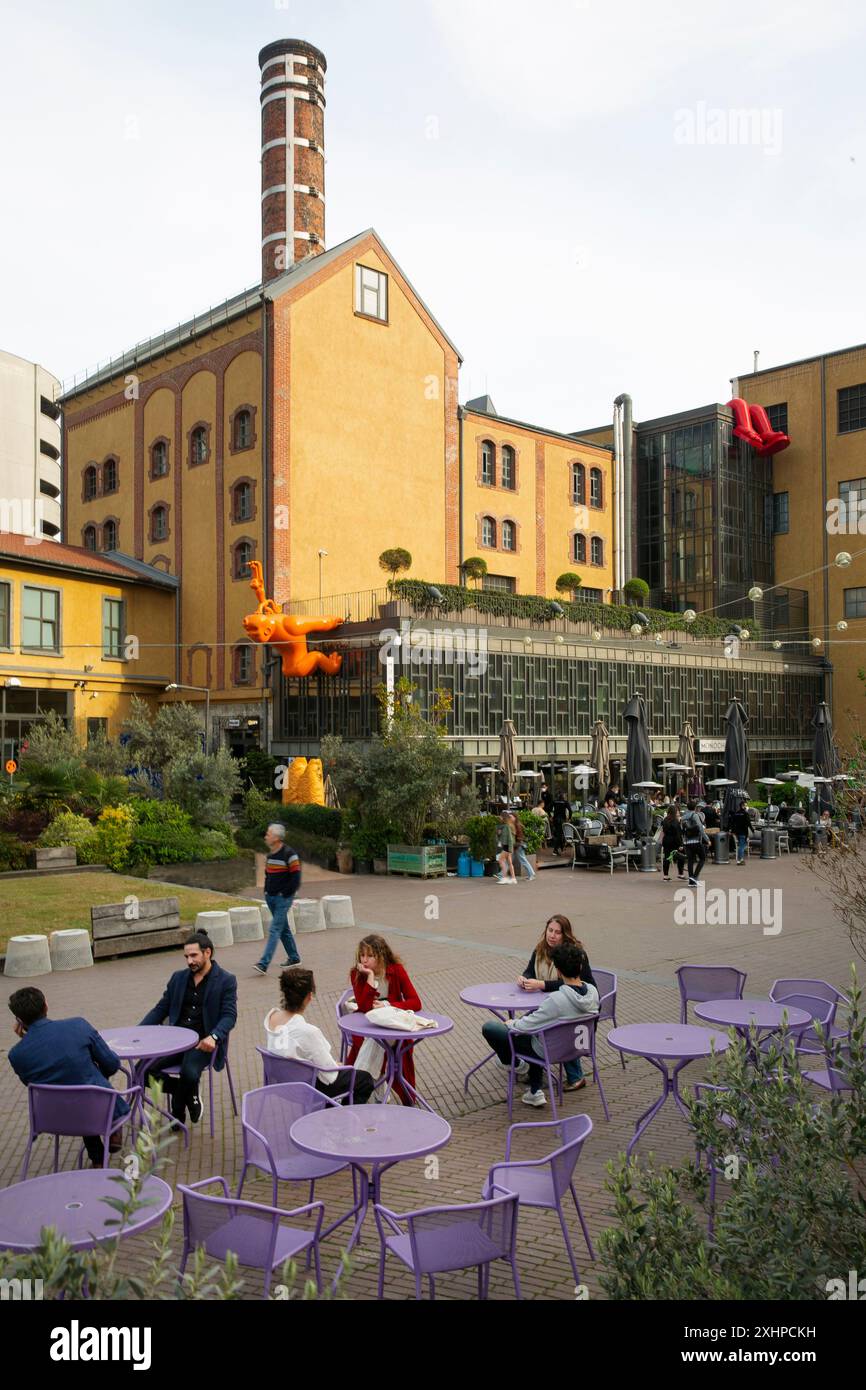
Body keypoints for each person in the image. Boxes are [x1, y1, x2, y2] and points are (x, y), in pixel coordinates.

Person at [7, 988, 129, 1166]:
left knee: (72, 1085)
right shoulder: (77, 1026)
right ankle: (113, 1122)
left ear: (19, 1020)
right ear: (46, 1006)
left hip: (54, 1118)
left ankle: (97, 1158)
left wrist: (25, 1039)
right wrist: (94, 1074)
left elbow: (32, 1083)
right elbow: (111, 1064)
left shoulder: (16, 1055)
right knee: (86, 1082)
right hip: (96, 1107)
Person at [482, 943, 600, 1107]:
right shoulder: (593, 992)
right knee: (539, 1033)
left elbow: (525, 1026)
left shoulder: (556, 1000)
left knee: (491, 1029)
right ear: (580, 967)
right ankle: (534, 1091)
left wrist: (511, 1023)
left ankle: (515, 1064)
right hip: (578, 1047)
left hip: (551, 1050)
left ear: (558, 971)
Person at [142, 931, 237, 1125]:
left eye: (194, 955)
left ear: (207, 952)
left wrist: (214, 1037)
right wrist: (138, 1032)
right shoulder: (178, 978)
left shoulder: (226, 980)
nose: (189, 961)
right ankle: (186, 1092)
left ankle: (177, 1110)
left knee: (189, 1072)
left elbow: (229, 1015)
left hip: (203, 1041)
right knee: (142, 1071)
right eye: (186, 956)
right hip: (175, 1040)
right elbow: (161, 1009)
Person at [264, 967, 375, 1103]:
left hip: (282, 1082)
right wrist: (336, 1065)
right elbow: (330, 1076)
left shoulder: (271, 1017)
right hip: (307, 1089)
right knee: (364, 1079)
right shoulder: (308, 1032)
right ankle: (341, 1118)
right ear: (310, 996)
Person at [517, 915, 596, 1091]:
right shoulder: (540, 950)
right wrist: (525, 978)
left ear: (565, 935)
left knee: (548, 1026)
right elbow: (530, 969)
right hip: (552, 1002)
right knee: (537, 1023)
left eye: (557, 932)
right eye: (550, 930)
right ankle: (533, 1069)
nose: (552, 935)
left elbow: (575, 982)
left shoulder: (574, 955)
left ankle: (571, 1076)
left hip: (577, 1005)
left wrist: (543, 984)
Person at [346, 936, 422, 1105]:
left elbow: (415, 1002)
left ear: (381, 955)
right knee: (375, 1040)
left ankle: (358, 1085)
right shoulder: (357, 974)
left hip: (394, 1027)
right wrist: (371, 978)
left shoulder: (396, 970)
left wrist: (387, 1004)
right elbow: (364, 1006)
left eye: (370, 955)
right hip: (367, 1026)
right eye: (362, 955)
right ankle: (375, 1091)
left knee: (377, 1040)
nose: (364, 960)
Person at [254, 822, 301, 976]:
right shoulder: (271, 855)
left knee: (275, 929)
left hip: (283, 899)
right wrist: (267, 892)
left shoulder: (290, 854)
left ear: (276, 838)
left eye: (268, 834)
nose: (265, 836)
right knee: (283, 928)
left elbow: (296, 878)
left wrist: (285, 894)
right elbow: (268, 875)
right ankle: (294, 957)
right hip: (271, 897)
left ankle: (263, 963)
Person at [681, 799, 710, 885]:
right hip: (696, 841)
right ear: (695, 807)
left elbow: (682, 829)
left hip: (686, 842)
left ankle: (691, 881)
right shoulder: (695, 815)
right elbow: (700, 828)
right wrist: (707, 839)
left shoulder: (683, 816)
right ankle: (695, 876)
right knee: (702, 858)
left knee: (690, 860)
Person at [660, 805, 686, 881]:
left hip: (666, 840)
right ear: (675, 812)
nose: (678, 812)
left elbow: (664, 830)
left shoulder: (665, 820)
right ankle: (680, 874)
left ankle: (666, 876)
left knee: (667, 857)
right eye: (677, 811)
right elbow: (678, 834)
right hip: (674, 841)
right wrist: (680, 844)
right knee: (681, 857)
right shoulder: (675, 821)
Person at [509, 812, 536, 881]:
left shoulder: (517, 825)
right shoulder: (515, 824)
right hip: (518, 845)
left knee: (523, 860)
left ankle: (531, 874)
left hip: (519, 846)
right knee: (513, 859)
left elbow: (520, 837)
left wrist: (516, 844)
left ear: (515, 817)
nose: (510, 818)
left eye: (511, 817)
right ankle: (502, 874)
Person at [495, 812, 517, 883]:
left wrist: (510, 849)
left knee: (501, 860)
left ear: (503, 817)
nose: (499, 818)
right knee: (509, 862)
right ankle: (513, 878)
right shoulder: (505, 826)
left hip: (507, 846)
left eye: (501, 817)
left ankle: (504, 878)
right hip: (507, 846)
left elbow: (510, 839)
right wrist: (499, 833)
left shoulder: (506, 826)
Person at [731, 800, 752, 865]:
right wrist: (752, 830)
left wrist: (733, 831)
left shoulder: (736, 813)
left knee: (740, 845)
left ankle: (740, 859)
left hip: (737, 832)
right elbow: (748, 823)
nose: (746, 806)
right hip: (743, 832)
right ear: (742, 806)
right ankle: (740, 860)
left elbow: (733, 823)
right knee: (742, 846)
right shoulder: (745, 813)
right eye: (745, 805)